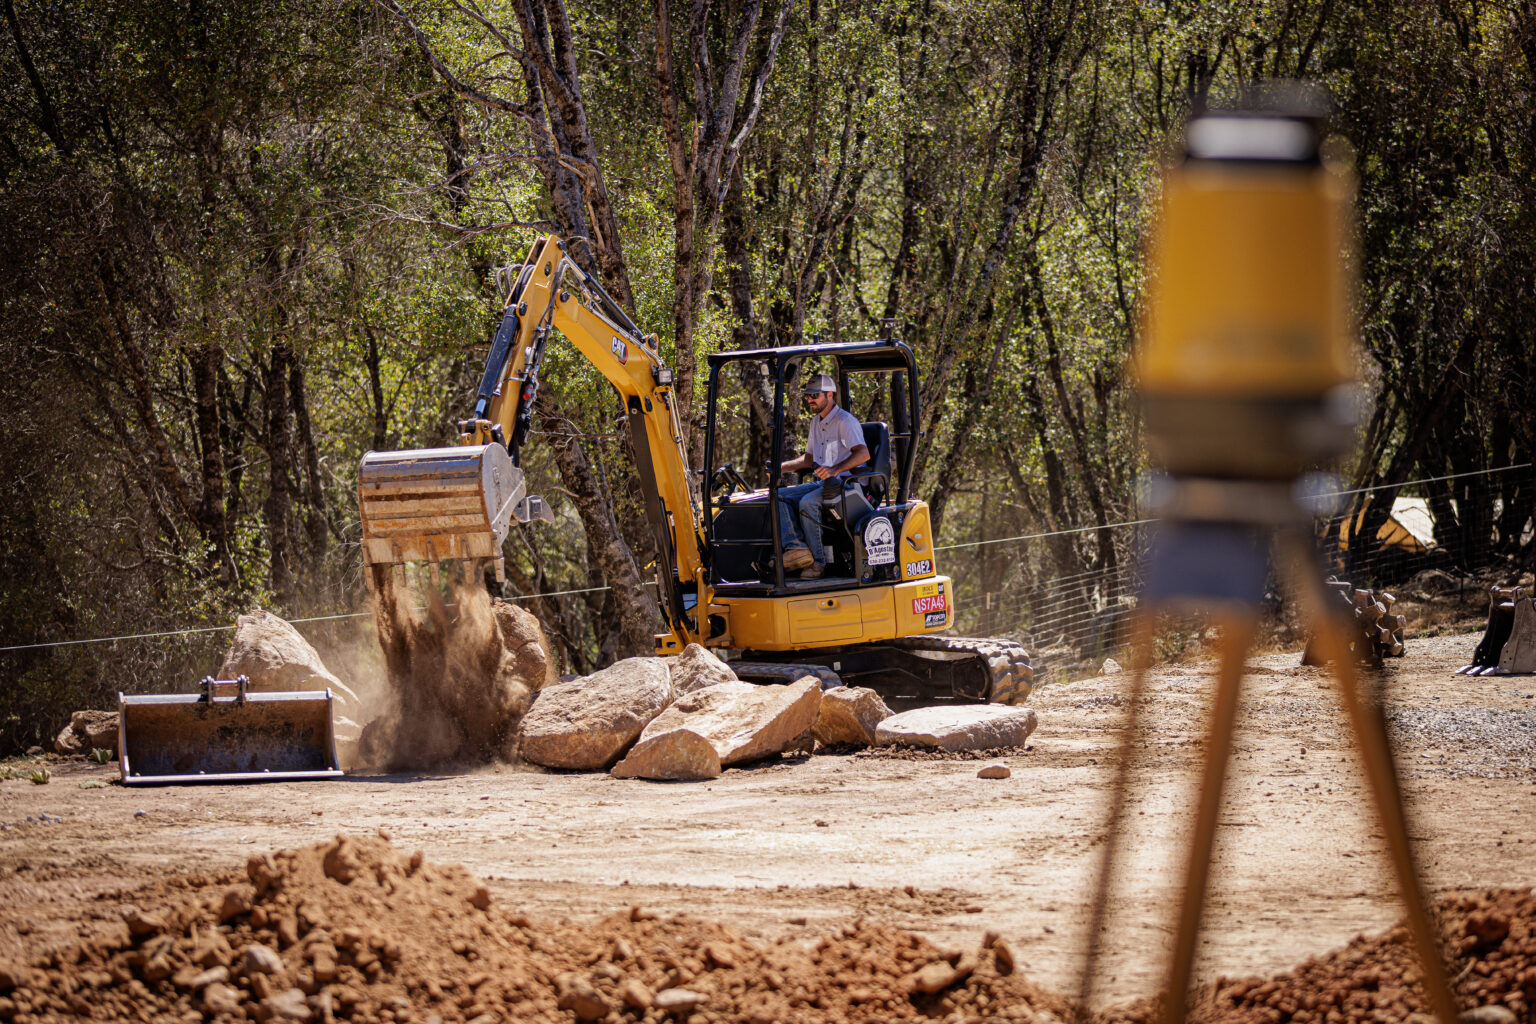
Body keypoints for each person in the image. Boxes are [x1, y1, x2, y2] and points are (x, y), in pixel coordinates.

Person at [775, 373, 870, 579]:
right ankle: (797, 549)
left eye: (814, 395)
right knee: (779, 496)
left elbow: (863, 453)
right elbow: (809, 459)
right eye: (808, 395)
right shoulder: (815, 423)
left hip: (847, 484)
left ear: (829, 394)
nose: (810, 400)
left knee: (807, 503)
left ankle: (818, 564)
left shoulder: (845, 421)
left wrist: (835, 470)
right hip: (824, 484)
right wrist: (780, 467)